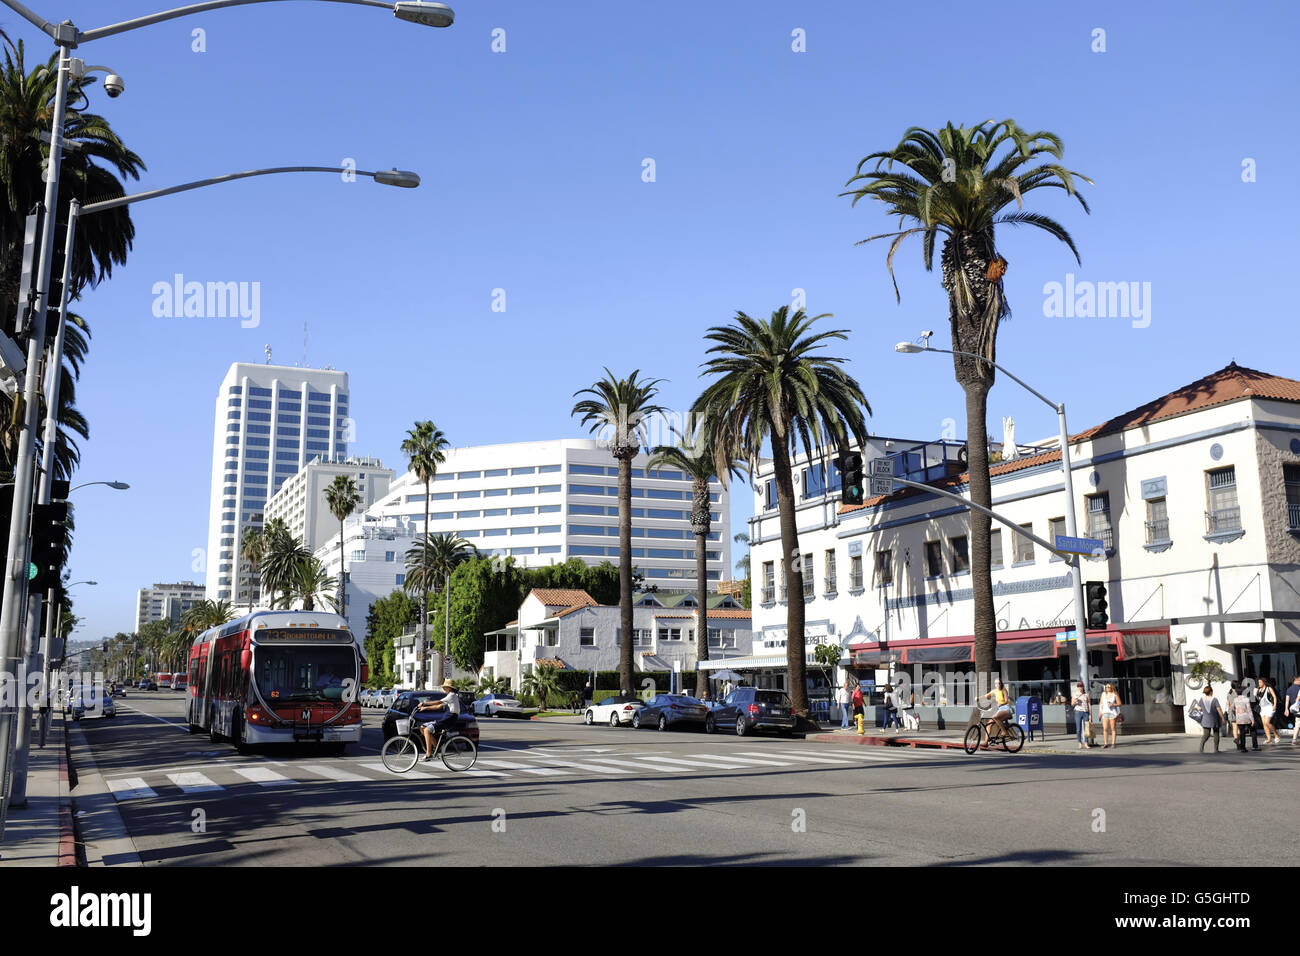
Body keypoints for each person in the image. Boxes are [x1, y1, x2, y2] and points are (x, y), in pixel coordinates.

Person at [416, 679, 463, 761]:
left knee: (427, 730)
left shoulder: (451, 695)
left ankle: (428, 754)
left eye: (445, 687)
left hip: (449, 718)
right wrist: (425, 708)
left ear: (449, 688)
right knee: (422, 727)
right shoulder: (450, 696)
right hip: (446, 718)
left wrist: (424, 703)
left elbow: (438, 702)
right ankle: (436, 748)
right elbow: (438, 706)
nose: (444, 688)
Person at [1189, 684, 1224, 754]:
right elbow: (1219, 709)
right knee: (1216, 733)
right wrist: (1222, 718)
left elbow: (1199, 708)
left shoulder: (1202, 699)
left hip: (1205, 720)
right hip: (1215, 719)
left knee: (1206, 735)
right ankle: (1216, 750)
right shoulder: (1214, 699)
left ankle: (1201, 748)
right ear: (1211, 692)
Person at [979, 678, 1013, 746]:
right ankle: (986, 742)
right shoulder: (994, 691)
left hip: (1006, 708)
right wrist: (978, 698)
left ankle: (1004, 732)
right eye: (996, 683)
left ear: (1001, 683)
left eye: (999, 683)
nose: (997, 685)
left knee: (995, 717)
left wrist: (1001, 704)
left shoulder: (1004, 690)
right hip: (1000, 709)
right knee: (989, 724)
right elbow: (986, 696)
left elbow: (1006, 701)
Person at [1232, 684, 1260, 752]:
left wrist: (1237, 712)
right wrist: (1252, 720)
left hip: (1239, 719)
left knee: (1242, 733)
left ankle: (1243, 747)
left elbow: (1232, 708)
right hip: (1247, 718)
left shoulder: (1235, 699)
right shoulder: (1246, 699)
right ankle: (1254, 746)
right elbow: (1249, 710)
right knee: (1253, 731)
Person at [1098, 683, 1122, 748]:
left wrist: (1113, 705)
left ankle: (1113, 743)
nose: (1107, 688)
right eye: (1106, 687)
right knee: (1105, 728)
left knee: (1113, 728)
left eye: (1109, 687)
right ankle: (1106, 743)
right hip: (1105, 713)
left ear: (1111, 687)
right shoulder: (1103, 694)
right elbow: (1101, 703)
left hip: (1112, 713)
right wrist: (1100, 711)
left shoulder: (1115, 694)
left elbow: (1119, 703)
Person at [1257, 678, 1281, 744]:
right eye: (1258, 682)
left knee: (1267, 723)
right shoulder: (1259, 690)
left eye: (1260, 682)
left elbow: (1274, 696)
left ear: (1264, 682)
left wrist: (1275, 705)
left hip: (1269, 707)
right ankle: (1269, 739)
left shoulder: (1268, 688)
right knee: (1264, 724)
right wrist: (1256, 694)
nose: (1259, 684)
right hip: (1263, 708)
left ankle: (1276, 735)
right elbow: (1259, 699)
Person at [1071, 681, 1092, 750]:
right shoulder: (1075, 694)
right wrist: (1075, 701)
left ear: (1083, 687)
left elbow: (1089, 704)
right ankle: (1079, 743)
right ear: (1077, 687)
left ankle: (1086, 742)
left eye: (1081, 686)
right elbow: (1072, 704)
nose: (1080, 688)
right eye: (1079, 686)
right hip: (1078, 712)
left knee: (1086, 728)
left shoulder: (1086, 694)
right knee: (1078, 729)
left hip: (1085, 712)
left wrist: (1090, 714)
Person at [1286, 675, 1300, 747]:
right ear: (1296, 680)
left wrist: (1286, 709)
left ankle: (1294, 740)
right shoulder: (1299, 688)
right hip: (1299, 709)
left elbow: (1287, 700)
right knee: (1297, 725)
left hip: (1294, 710)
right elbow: (1297, 699)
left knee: (1297, 724)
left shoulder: (1289, 689)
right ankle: (1294, 740)